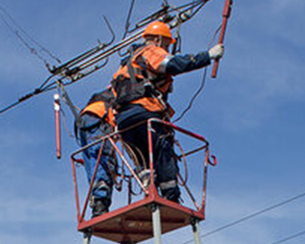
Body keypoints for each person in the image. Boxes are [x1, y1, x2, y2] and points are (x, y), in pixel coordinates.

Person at [111, 21, 223, 203]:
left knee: (144, 160)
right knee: (163, 151)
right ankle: (170, 195)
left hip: (124, 122)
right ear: (156, 39)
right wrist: (207, 56)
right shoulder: (150, 51)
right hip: (145, 112)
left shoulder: (123, 69)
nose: (166, 48)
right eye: (166, 44)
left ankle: (149, 186)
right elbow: (172, 64)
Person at [75, 88, 117, 216]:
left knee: (93, 162)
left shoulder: (110, 91)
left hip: (84, 121)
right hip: (99, 118)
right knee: (104, 160)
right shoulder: (128, 92)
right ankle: (100, 202)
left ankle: (98, 202)